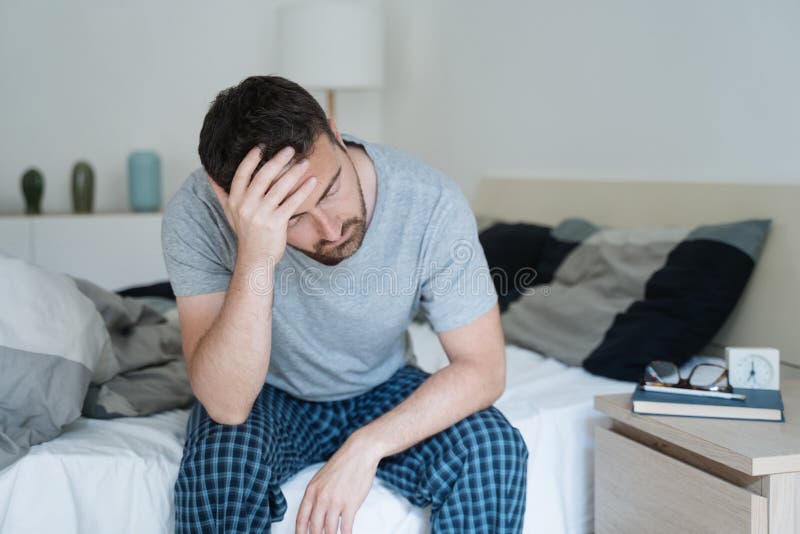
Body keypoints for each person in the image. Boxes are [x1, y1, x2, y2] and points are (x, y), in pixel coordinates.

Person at [162, 75, 528, 534]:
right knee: (220, 473)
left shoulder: (431, 202)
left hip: (381, 384)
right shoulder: (196, 214)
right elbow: (228, 406)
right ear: (230, 200)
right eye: (293, 217)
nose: (330, 228)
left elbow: (484, 368)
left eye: (330, 189)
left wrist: (366, 446)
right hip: (268, 393)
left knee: (492, 448)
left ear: (336, 133)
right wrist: (257, 253)